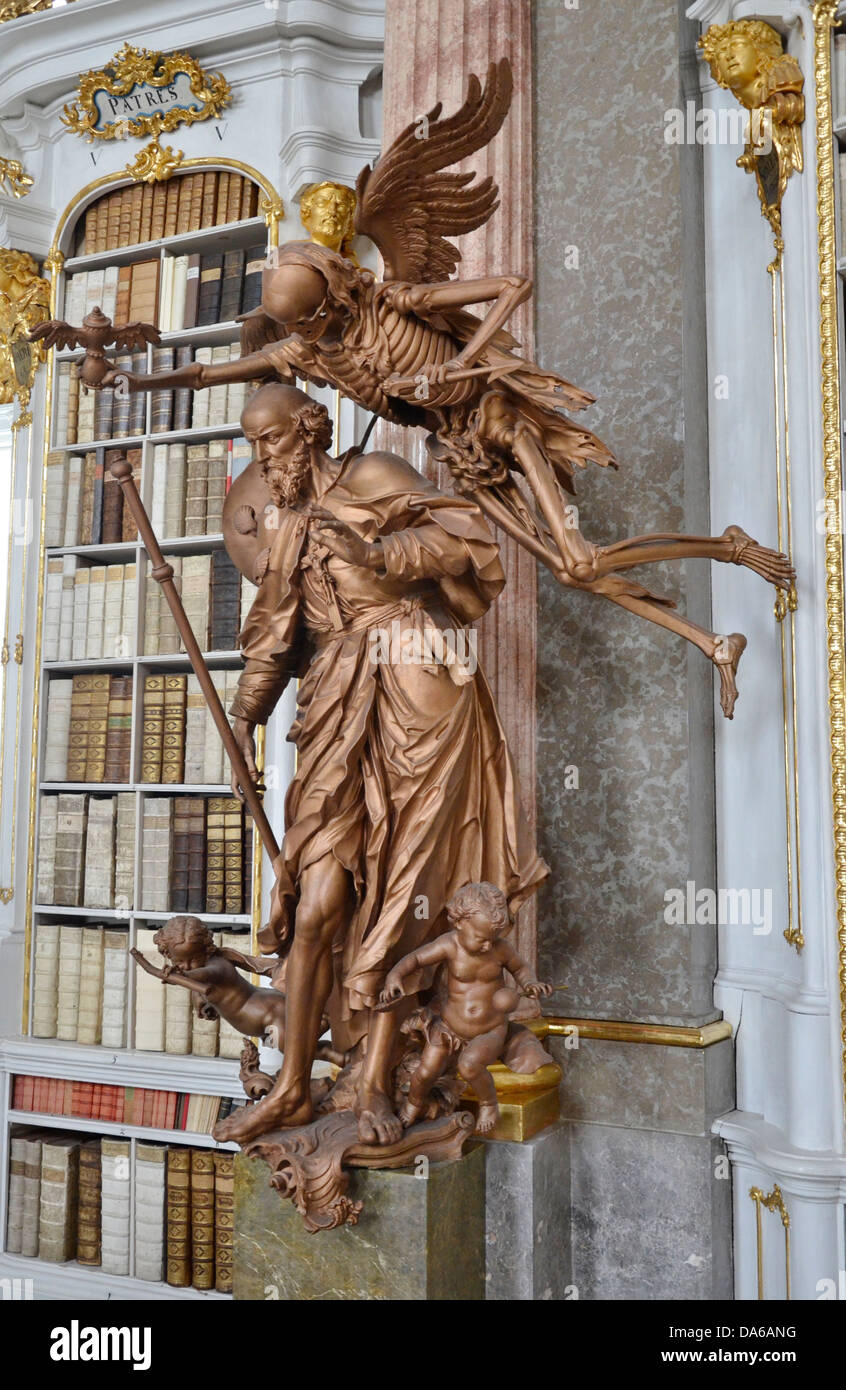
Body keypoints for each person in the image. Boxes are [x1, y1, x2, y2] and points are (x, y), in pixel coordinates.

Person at [213, 379, 547, 1145]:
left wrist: (376, 549)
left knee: (407, 886)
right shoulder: (283, 527)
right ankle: (296, 1085)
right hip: (334, 697)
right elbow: (271, 639)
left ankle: (374, 1084)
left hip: (415, 684)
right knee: (317, 896)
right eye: (255, 444)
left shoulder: (375, 478)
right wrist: (243, 725)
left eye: (272, 440)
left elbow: (463, 542)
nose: (264, 459)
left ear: (311, 429)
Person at [378, 881, 553, 1133]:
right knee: (424, 1073)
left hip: (490, 1030)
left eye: (492, 940)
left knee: (469, 1065)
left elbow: (521, 968)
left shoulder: (499, 949)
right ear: (460, 923)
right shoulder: (449, 945)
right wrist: (394, 977)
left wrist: (531, 982)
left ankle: (488, 1102)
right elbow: (415, 959)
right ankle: (412, 1106)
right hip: (449, 1027)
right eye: (481, 939)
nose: (487, 946)